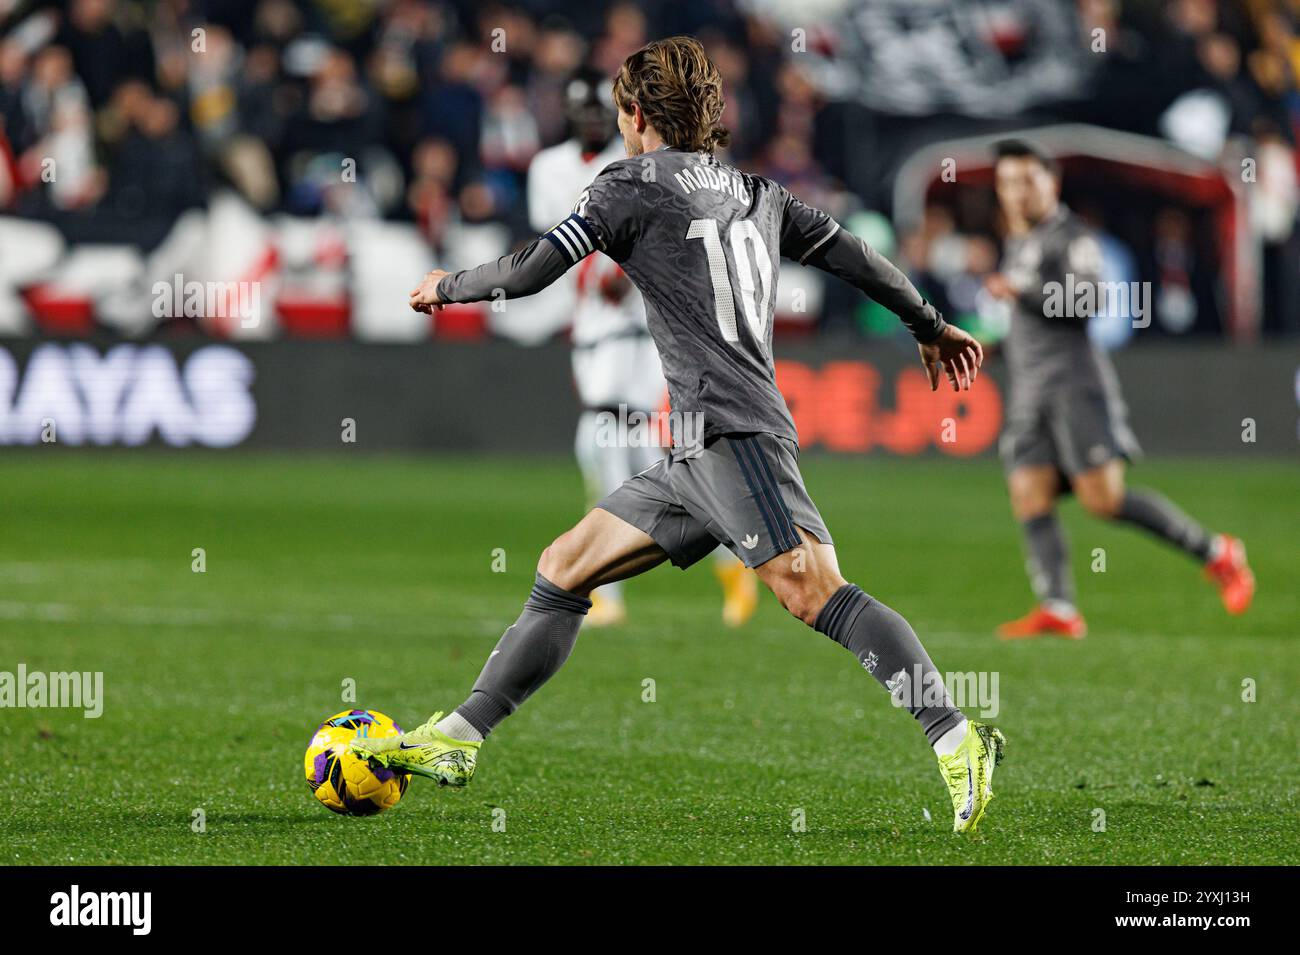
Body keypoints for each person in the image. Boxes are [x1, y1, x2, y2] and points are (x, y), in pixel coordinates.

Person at [357, 38, 1004, 833]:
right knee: (565, 566)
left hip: (735, 433)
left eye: (624, 113)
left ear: (634, 116)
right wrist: (931, 323)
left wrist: (447, 286)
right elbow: (858, 257)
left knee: (813, 590)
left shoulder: (627, 184)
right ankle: (459, 737)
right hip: (694, 447)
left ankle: (956, 733)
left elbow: (530, 271)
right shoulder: (757, 191)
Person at [985, 140, 1254, 640]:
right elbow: (1030, 323)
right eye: (1007, 183)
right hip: (1030, 392)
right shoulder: (1020, 242)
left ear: (1051, 183)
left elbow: (1088, 300)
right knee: (1027, 491)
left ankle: (1218, 552)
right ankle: (1060, 608)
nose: (1016, 193)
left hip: (1075, 388)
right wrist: (991, 347)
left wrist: (1023, 292)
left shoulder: (1072, 237)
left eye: (1027, 181)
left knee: (1104, 501)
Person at [527, 68, 757, 628]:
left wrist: (626, 270)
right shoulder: (548, 167)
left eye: (595, 110)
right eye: (577, 109)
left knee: (606, 433)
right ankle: (729, 556)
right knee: (643, 456)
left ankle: (601, 588)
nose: (588, 120)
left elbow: (661, 232)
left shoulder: (634, 159)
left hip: (647, 325)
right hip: (592, 327)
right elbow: (553, 243)